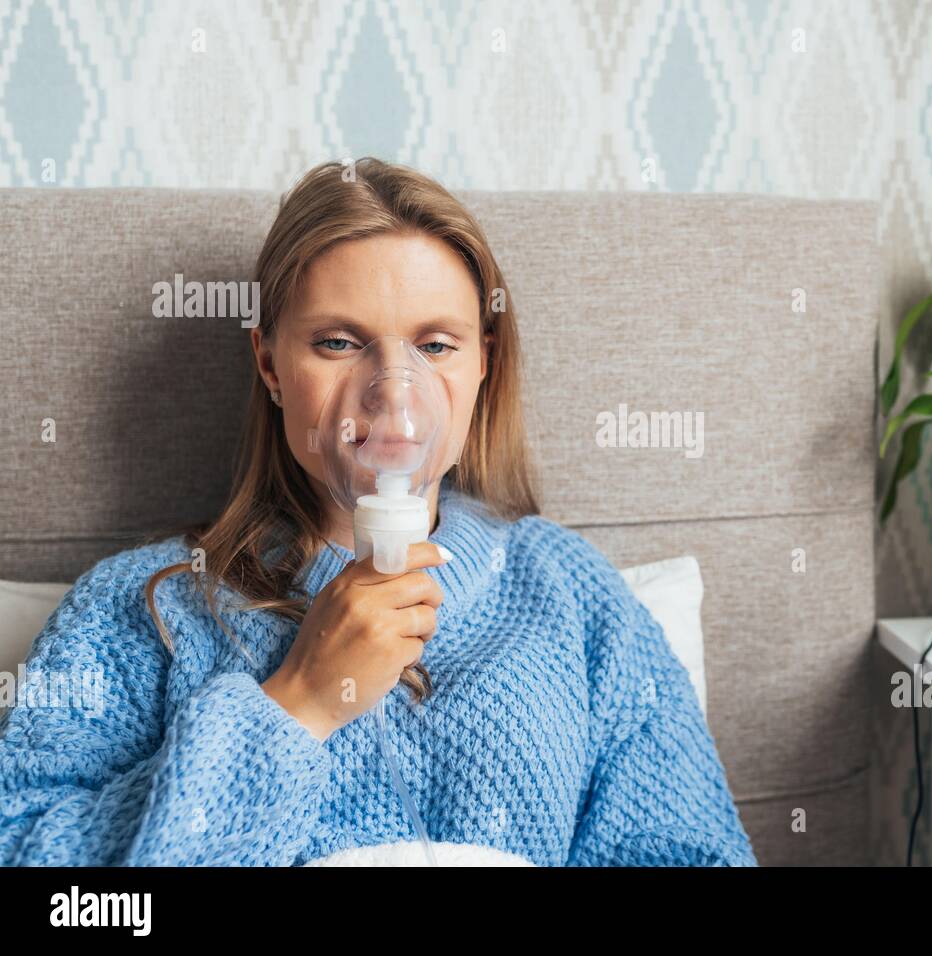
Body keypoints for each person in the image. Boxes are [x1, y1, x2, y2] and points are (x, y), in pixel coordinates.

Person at [0, 158, 757, 867]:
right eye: (337, 342)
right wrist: (295, 706)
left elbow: (691, 849)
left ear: (484, 359)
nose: (394, 395)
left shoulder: (572, 598)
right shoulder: (145, 610)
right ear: (269, 363)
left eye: (434, 344)